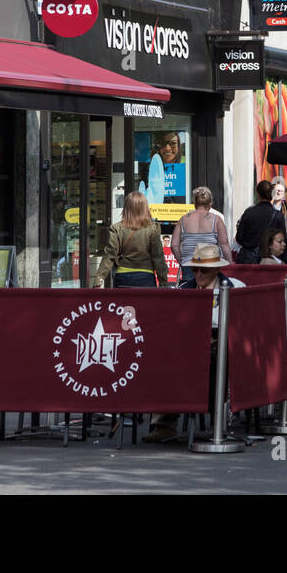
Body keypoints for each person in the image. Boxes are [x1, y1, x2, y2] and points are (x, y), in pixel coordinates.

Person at [145, 243, 245, 443]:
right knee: (162, 360)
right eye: (194, 269)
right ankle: (164, 423)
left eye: (204, 270)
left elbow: (243, 324)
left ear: (217, 269)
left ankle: (213, 418)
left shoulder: (235, 287)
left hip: (223, 349)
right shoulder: (184, 289)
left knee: (213, 358)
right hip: (188, 349)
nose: (198, 274)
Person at [96, 191, 166, 287]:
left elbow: (109, 255)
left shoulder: (117, 228)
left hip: (123, 276)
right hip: (145, 276)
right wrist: (163, 282)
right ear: (145, 208)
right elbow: (158, 257)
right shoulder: (153, 228)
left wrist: (98, 280)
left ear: (126, 208)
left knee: (123, 303)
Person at [171, 187, 234, 283]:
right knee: (210, 295)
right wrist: (231, 265)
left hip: (189, 265)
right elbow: (224, 245)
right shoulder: (216, 220)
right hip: (210, 265)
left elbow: (174, 246)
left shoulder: (183, 220)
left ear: (194, 203)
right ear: (210, 204)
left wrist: (183, 262)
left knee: (190, 295)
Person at [234, 180, 287, 264]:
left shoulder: (248, 212)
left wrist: (249, 244)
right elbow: (284, 243)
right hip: (269, 261)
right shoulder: (278, 215)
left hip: (248, 261)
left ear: (258, 194)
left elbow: (239, 237)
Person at [269, 178, 287, 248]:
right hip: (269, 244)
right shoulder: (267, 208)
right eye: (276, 190)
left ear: (284, 194)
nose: (278, 193)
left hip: (284, 245)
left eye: (280, 191)